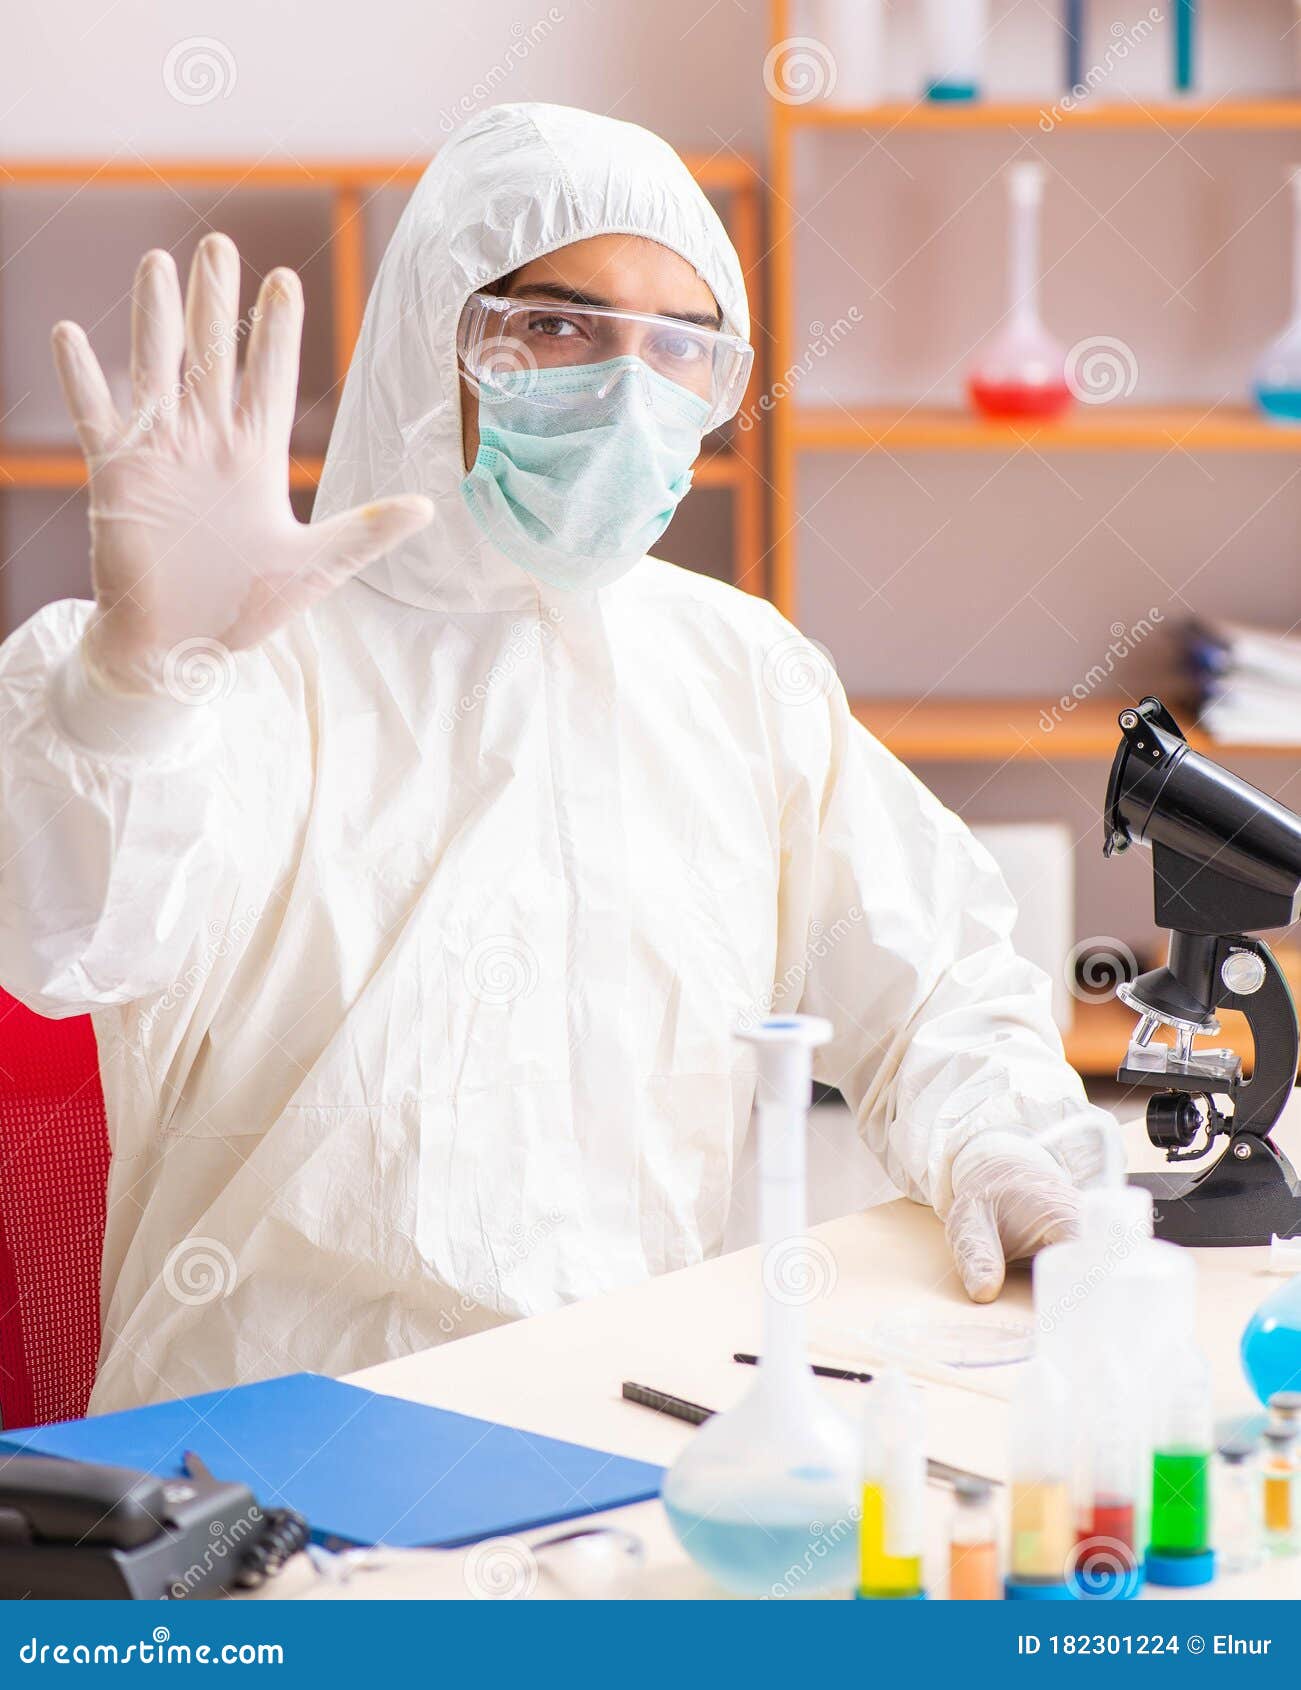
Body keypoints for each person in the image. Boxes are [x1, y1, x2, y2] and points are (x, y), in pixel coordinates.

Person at [0, 104, 1112, 1414]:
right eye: (558, 324)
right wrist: (140, 685)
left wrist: (997, 1142)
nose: (627, 388)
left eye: (678, 346)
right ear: (434, 333)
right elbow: (67, 939)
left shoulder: (735, 672)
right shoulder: (240, 656)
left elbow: (932, 978)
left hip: (633, 1431)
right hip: (275, 1455)